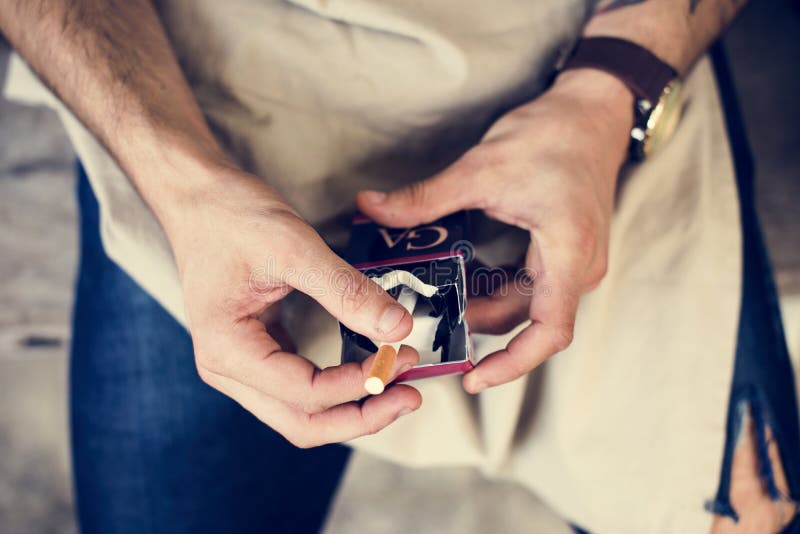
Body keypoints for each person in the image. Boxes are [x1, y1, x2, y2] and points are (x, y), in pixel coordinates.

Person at [1, 0, 798, 532]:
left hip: (592, 99)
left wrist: (613, 84)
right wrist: (179, 180)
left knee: (738, 507)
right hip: (197, 140)